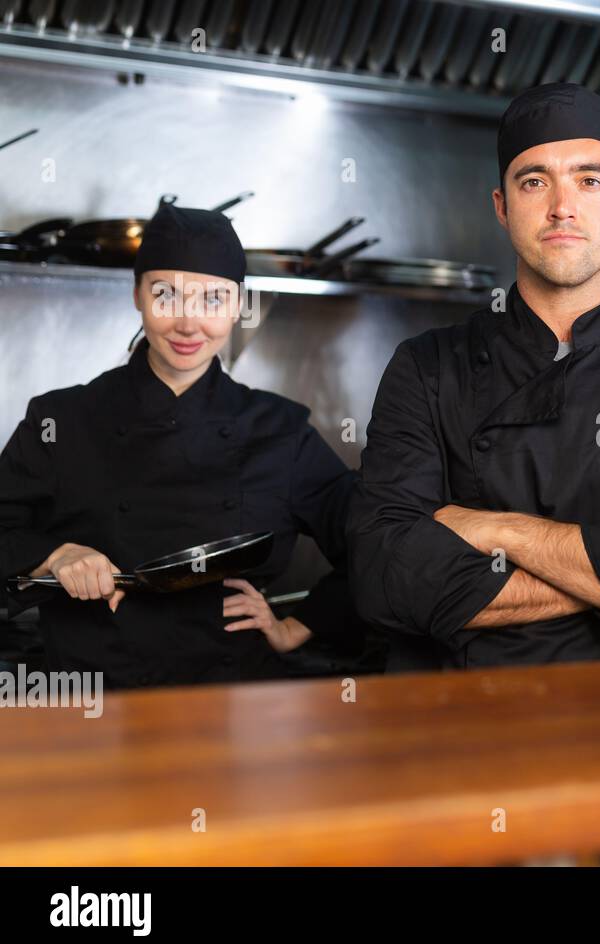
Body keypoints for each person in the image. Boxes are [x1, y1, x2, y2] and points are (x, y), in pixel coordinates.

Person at [347, 82, 600, 669]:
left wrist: (504, 533)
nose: (562, 206)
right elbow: (384, 575)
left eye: (590, 181)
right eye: (535, 181)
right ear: (502, 206)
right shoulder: (428, 366)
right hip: (460, 712)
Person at [0, 203, 361, 687]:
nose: (189, 324)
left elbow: (374, 539)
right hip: (95, 700)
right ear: (137, 294)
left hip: (232, 702)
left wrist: (296, 627)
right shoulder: (61, 420)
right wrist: (54, 555)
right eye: (166, 295)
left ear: (238, 304)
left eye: (214, 299)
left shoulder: (281, 431)